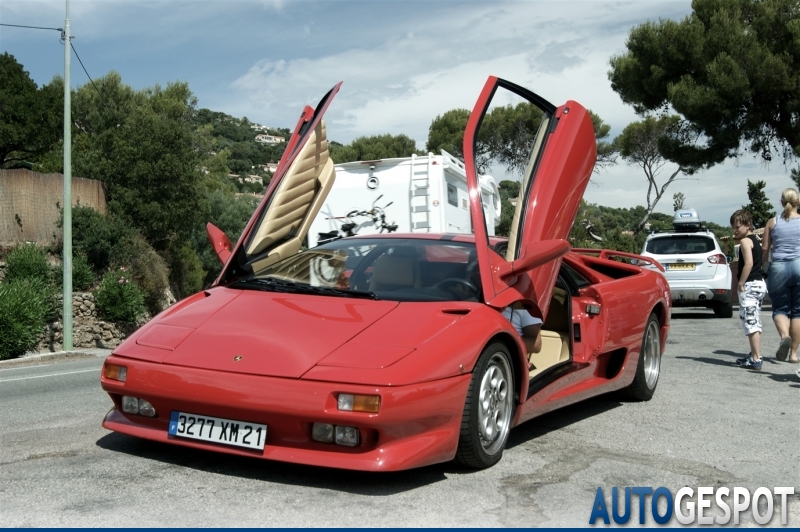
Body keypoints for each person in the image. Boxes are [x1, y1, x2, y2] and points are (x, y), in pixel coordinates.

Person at [761, 188, 800, 364]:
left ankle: (785, 336)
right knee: (797, 312)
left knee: (780, 308)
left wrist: (763, 266)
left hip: (778, 267)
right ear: (798, 202)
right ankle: (793, 355)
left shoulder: (773, 222)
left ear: (782, 202)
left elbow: (765, 248)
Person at [730, 209, 767, 370]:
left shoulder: (745, 242)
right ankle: (753, 353)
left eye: (737, 227)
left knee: (750, 322)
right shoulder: (755, 241)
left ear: (748, 224)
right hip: (759, 283)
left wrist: (741, 283)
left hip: (750, 284)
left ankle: (756, 358)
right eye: (733, 227)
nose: (735, 230)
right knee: (754, 319)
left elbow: (749, 263)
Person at [501, 304, 542, 369]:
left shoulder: (525, 309)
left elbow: (536, 345)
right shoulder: (481, 303)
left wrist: (504, 339)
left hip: (513, 364)